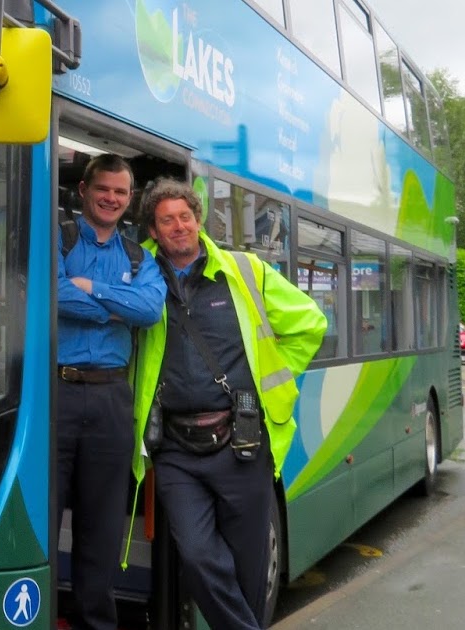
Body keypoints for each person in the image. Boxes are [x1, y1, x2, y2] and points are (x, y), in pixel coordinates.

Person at [132, 178, 326, 629]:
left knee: (250, 570)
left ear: (199, 221)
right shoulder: (140, 277)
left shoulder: (245, 271)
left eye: (185, 217)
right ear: (154, 230)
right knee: (198, 557)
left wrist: (269, 381)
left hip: (241, 444)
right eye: (167, 220)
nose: (179, 226)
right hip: (176, 450)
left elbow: (310, 324)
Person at [56, 154, 167, 630]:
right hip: (53, 396)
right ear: (84, 190)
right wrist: (113, 306)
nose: (112, 199)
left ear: (130, 199)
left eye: (121, 193)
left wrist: (88, 289)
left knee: (100, 527)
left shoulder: (140, 255)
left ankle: (95, 624)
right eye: (104, 189)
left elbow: (149, 310)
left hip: (110, 401)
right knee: (40, 513)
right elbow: (51, 291)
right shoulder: (57, 238)